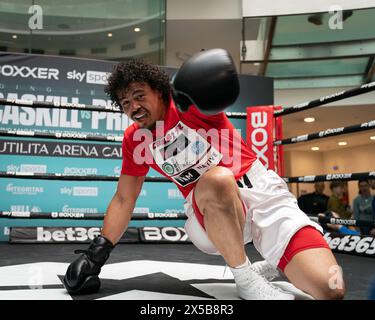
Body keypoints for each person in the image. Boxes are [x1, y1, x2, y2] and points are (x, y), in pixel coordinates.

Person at [63, 49, 345, 300]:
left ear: (160, 92)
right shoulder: (134, 139)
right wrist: (97, 253)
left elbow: (217, 63)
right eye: (125, 103)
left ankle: (275, 259)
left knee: (330, 288)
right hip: (210, 213)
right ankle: (245, 279)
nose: (134, 107)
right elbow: (125, 198)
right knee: (217, 178)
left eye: (139, 96)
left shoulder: (189, 103)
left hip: (262, 194)